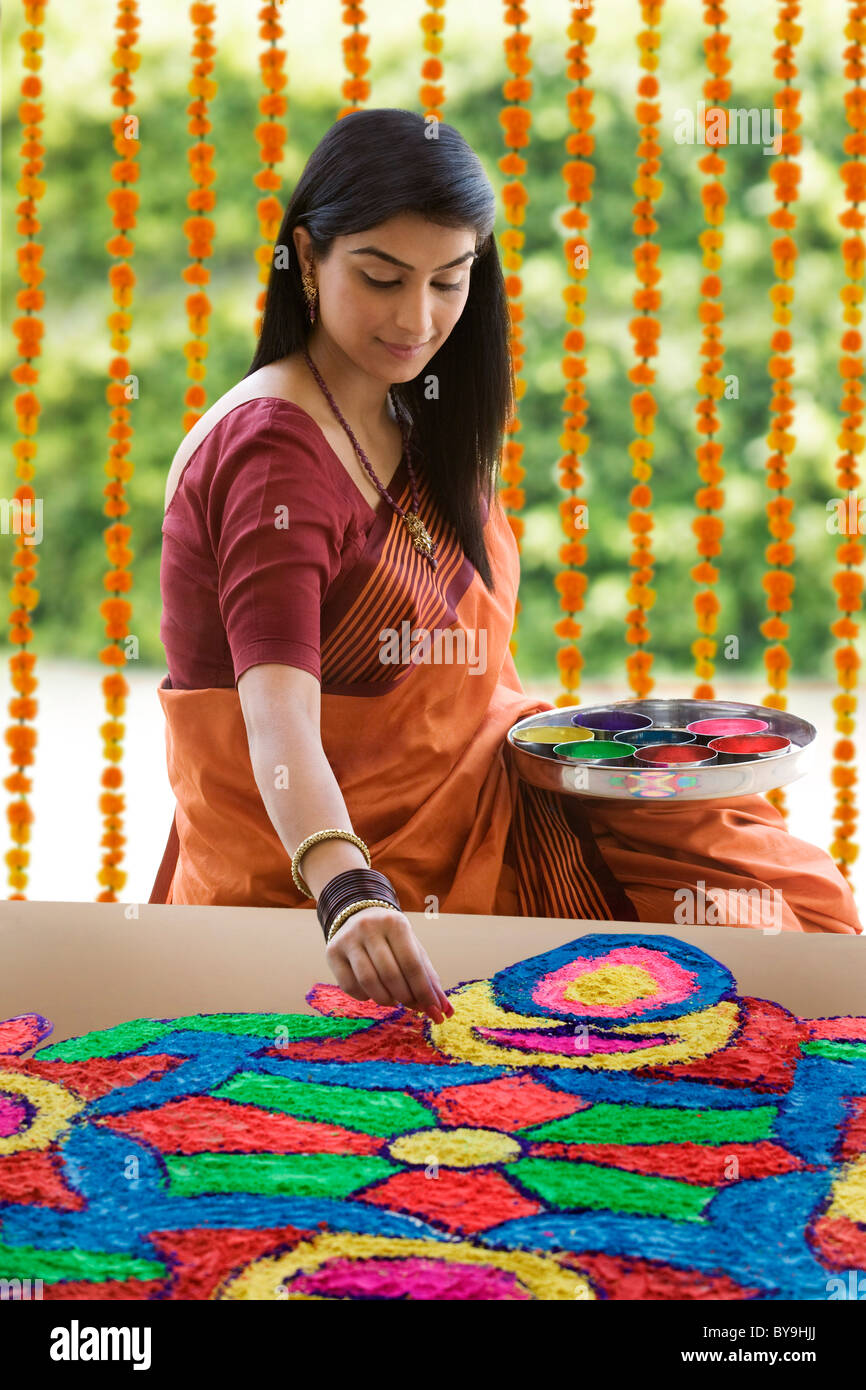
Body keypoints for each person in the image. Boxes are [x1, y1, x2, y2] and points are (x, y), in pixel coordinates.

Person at [150, 109, 862, 1024]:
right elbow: (278, 720)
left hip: (487, 799)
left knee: (759, 880)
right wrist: (347, 888)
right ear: (305, 258)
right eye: (380, 277)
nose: (418, 319)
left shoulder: (412, 418)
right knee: (731, 949)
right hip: (342, 870)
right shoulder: (273, 451)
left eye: (450, 281)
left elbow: (456, 690)